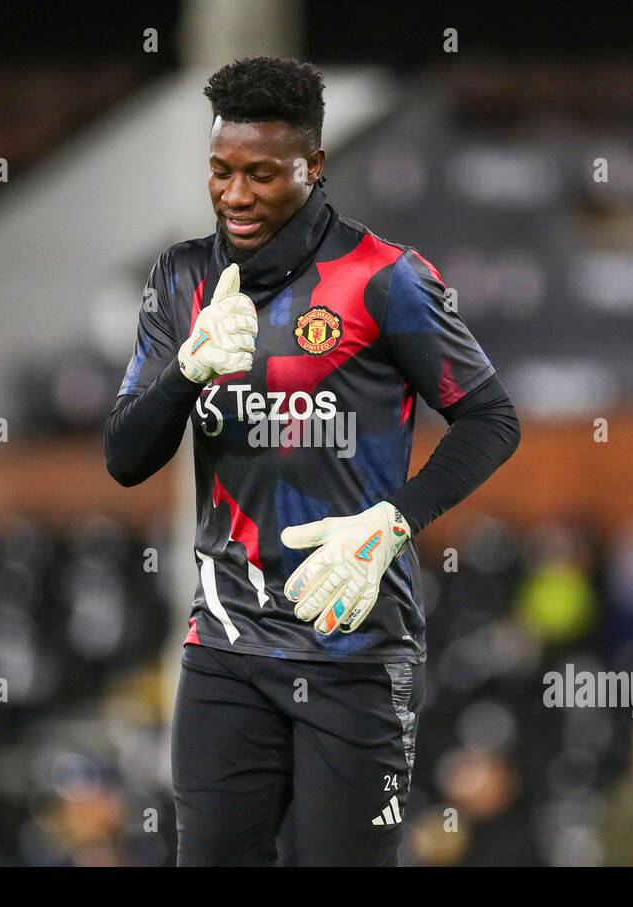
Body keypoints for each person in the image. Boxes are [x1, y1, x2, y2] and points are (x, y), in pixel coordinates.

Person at [105, 56, 521, 865]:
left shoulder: (385, 280)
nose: (235, 194)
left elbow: (491, 419)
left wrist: (393, 523)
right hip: (225, 651)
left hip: (356, 650)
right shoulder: (183, 277)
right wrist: (187, 372)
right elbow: (125, 456)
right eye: (221, 172)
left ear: (315, 165)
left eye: (262, 174)